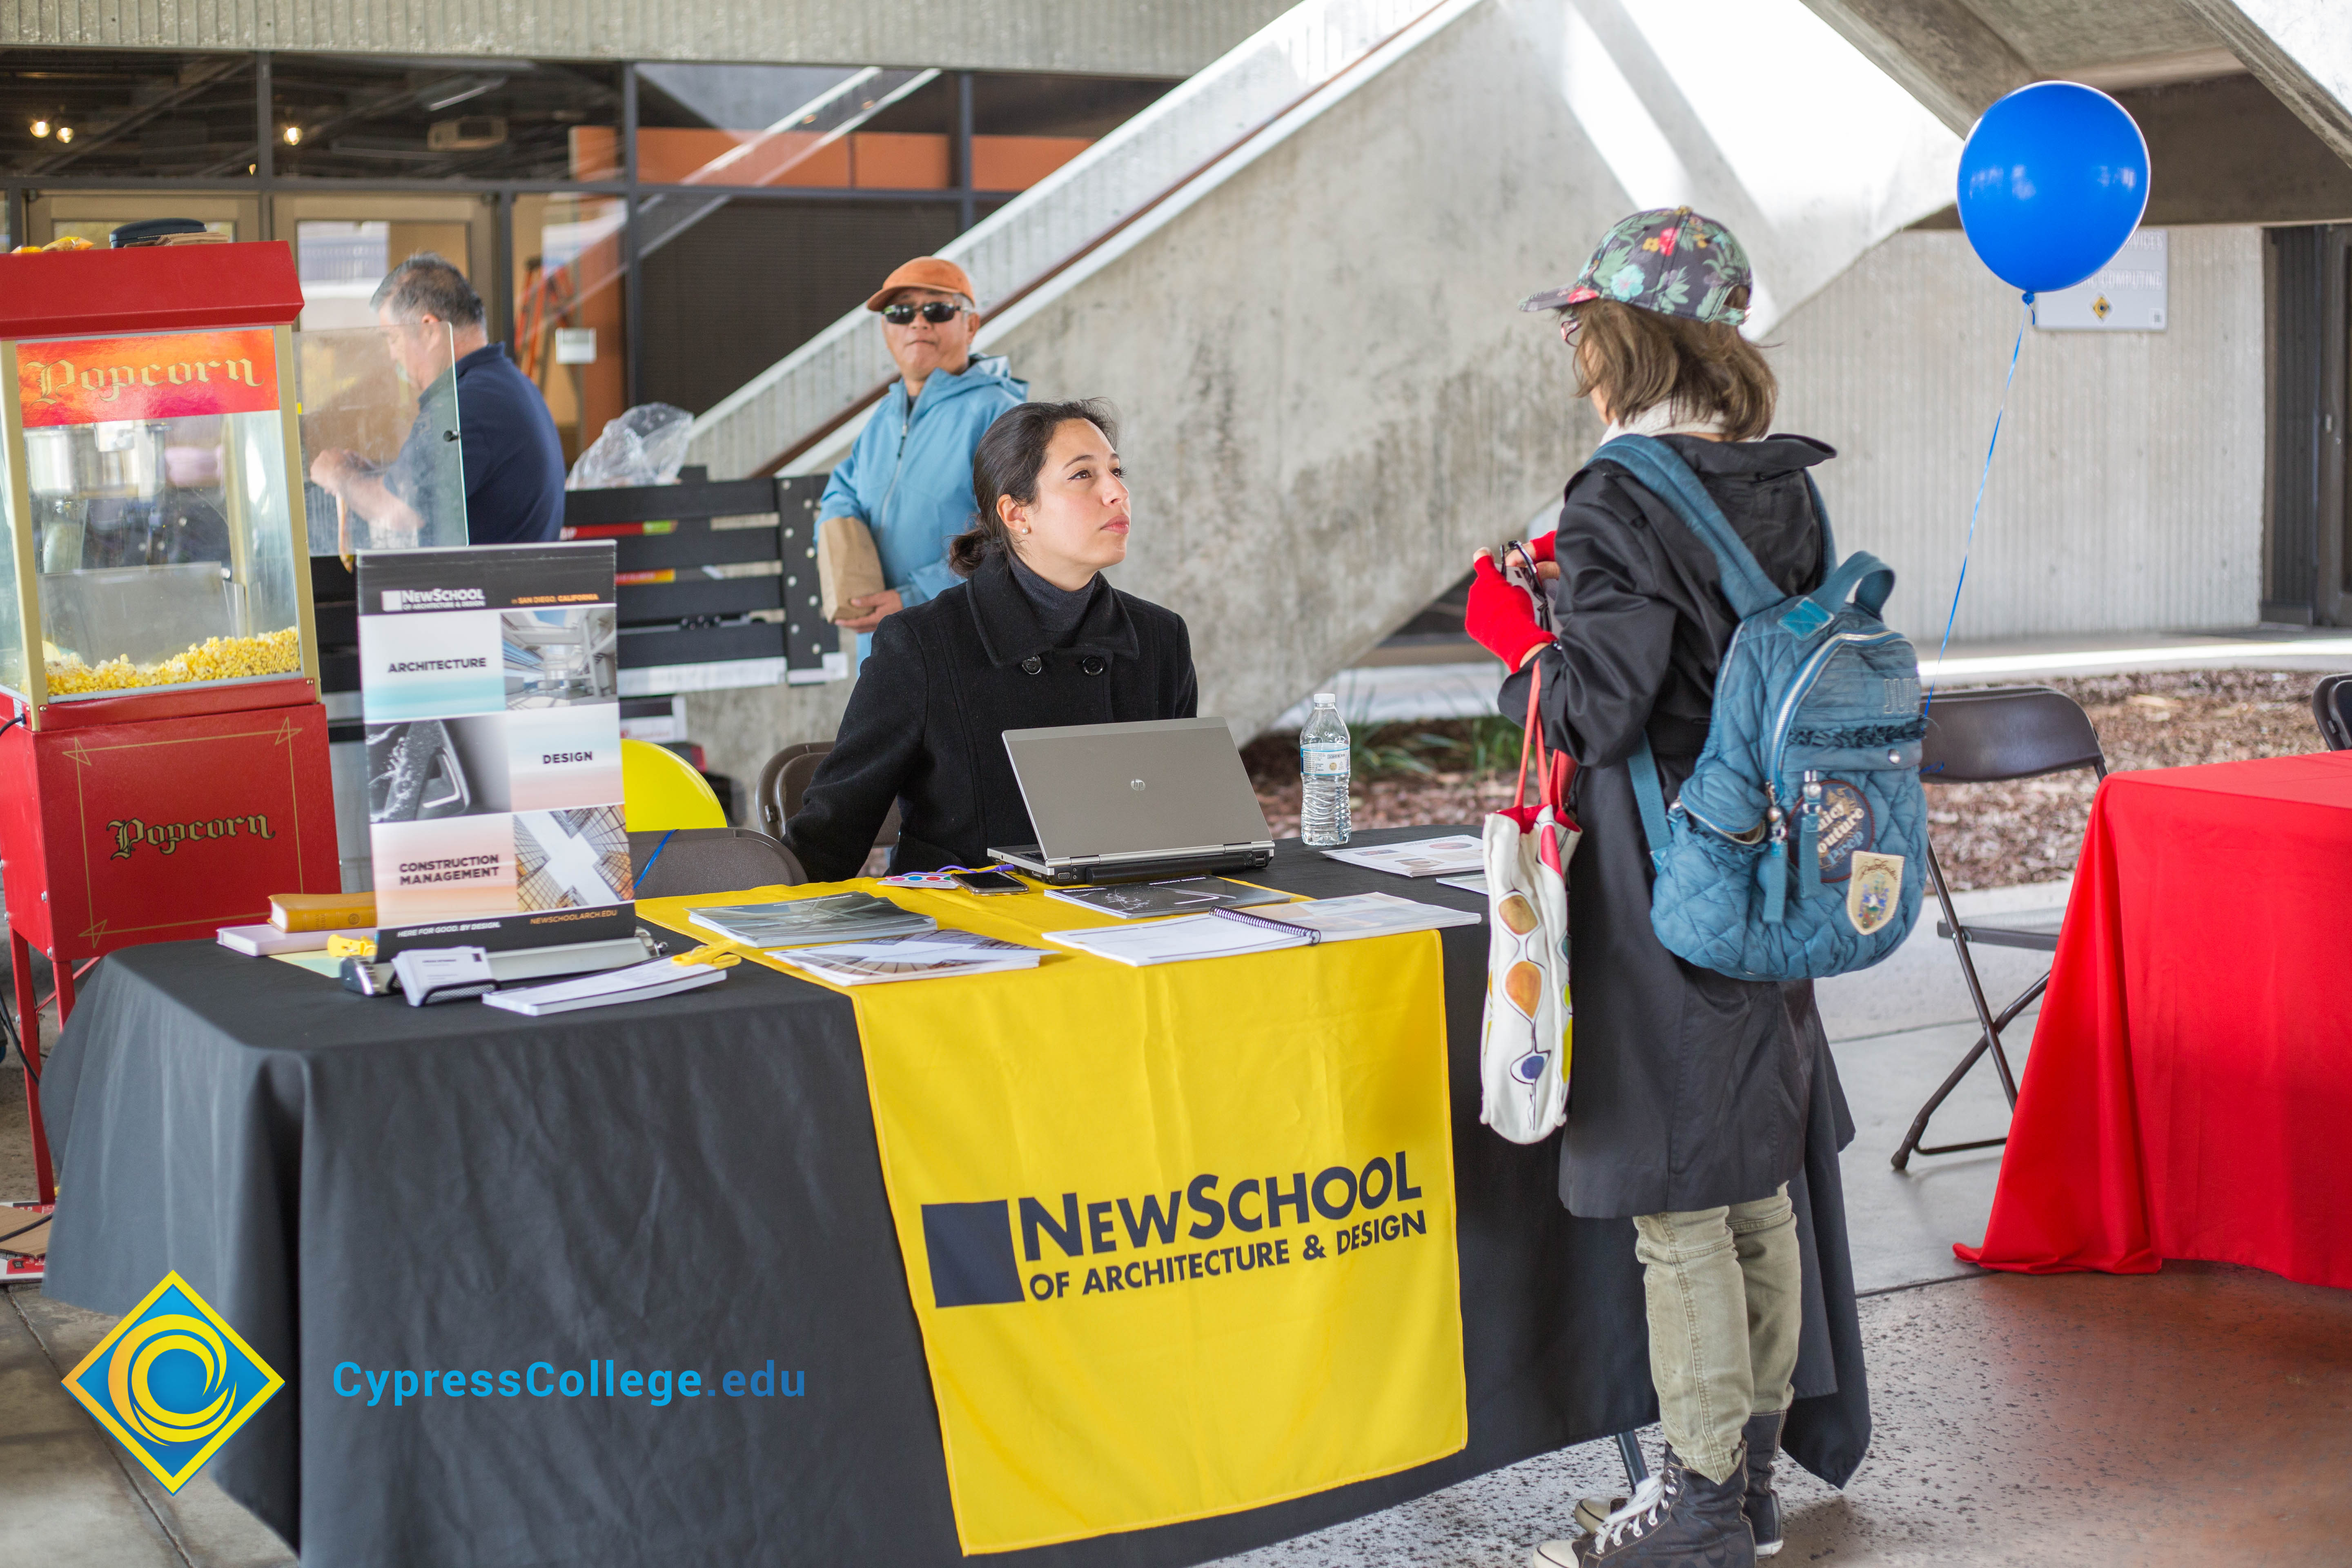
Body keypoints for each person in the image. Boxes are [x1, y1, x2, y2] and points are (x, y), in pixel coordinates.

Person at [1464, 209, 1839, 1568]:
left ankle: (1691, 1502)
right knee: (1752, 1186)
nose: (1573, 351)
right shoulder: (1780, 481)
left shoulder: (1618, 490)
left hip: (1659, 867)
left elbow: (1603, 711)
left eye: (1581, 326)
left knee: (1681, 1204)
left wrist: (1520, 632)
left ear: (1624, 334)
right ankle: (1743, 1491)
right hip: (1770, 866)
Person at [785, 400, 1196, 881]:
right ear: (1016, 513)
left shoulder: (1161, 638)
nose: (1118, 492)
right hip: (963, 937)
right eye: (1084, 476)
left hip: (1127, 927)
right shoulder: (921, 645)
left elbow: (1180, 825)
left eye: (1117, 471)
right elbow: (831, 835)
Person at [816, 257, 1028, 650]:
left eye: (937, 309)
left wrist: (913, 597)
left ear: (971, 325)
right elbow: (839, 493)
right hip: (884, 644)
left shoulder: (998, 413)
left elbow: (1019, 535)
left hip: (961, 640)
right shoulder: (884, 418)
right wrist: (853, 580)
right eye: (899, 313)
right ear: (886, 330)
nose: (918, 322)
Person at [308, 254, 566, 549]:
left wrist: (339, 476)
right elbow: (428, 491)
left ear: (430, 329)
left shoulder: (465, 404)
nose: (393, 356)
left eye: (392, 339)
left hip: (486, 592)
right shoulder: (505, 385)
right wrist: (377, 478)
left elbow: (397, 511)